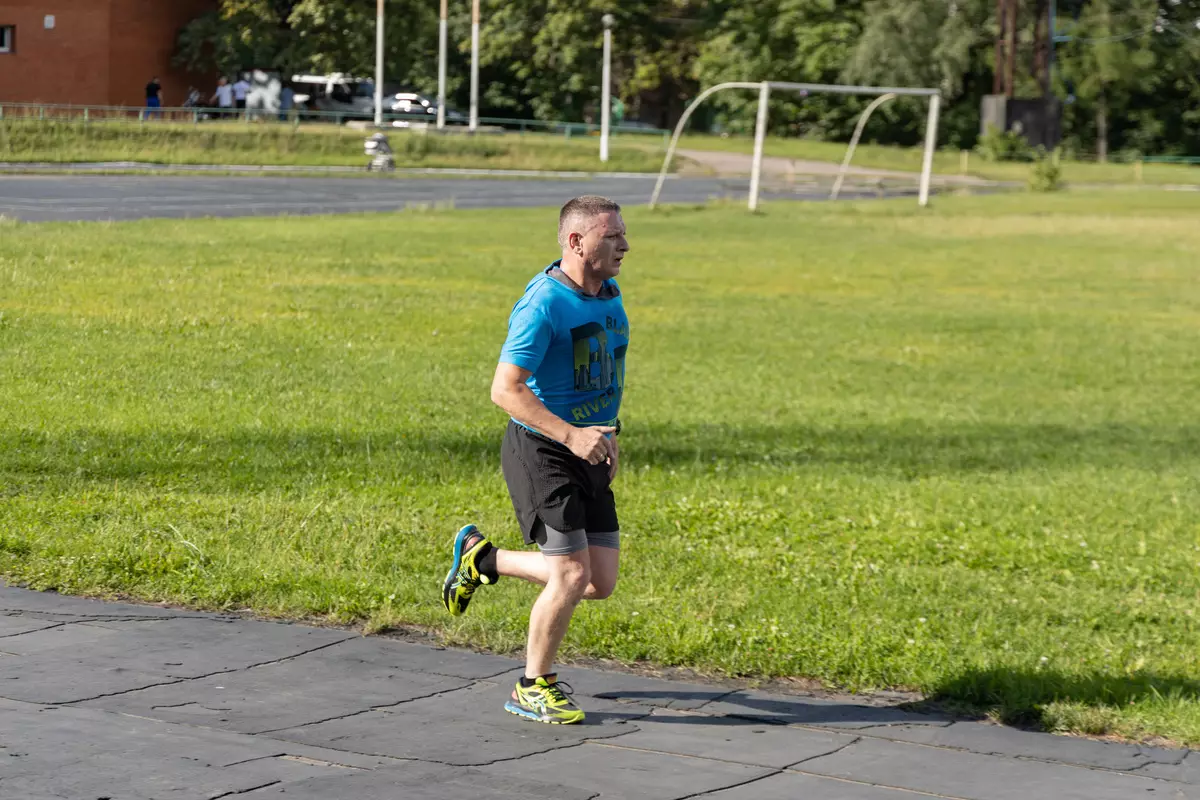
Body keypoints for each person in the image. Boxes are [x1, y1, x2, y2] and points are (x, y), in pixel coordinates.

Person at [442, 196, 631, 725]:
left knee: (598, 582)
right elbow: (505, 390)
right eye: (611, 235)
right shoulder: (543, 303)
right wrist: (571, 436)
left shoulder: (610, 295)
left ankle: (483, 560)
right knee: (570, 574)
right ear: (576, 242)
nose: (624, 244)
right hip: (543, 449)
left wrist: (610, 435)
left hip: (588, 445)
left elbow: (601, 378)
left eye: (622, 234)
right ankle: (533, 686)